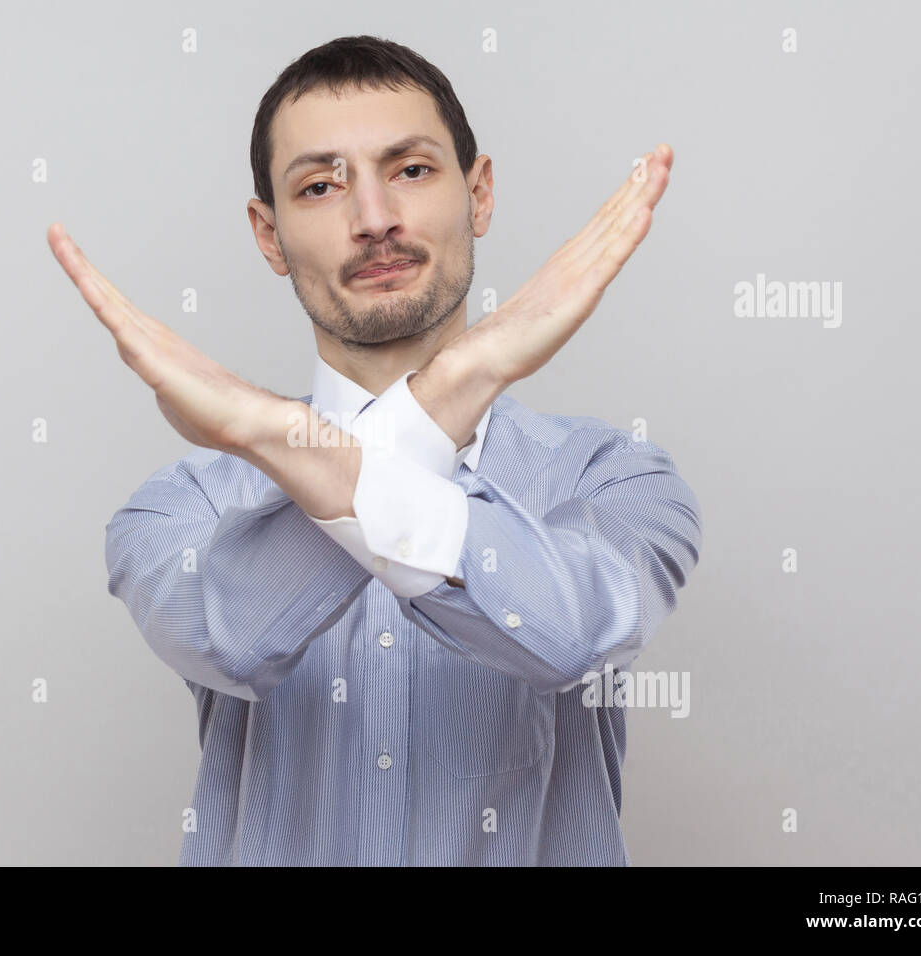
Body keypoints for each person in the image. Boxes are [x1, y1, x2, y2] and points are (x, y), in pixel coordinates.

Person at [47, 35, 701, 866]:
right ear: (269, 234)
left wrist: (275, 433)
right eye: (320, 186)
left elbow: (573, 634)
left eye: (412, 170)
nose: (374, 220)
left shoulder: (618, 479)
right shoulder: (186, 506)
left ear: (481, 193)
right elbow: (230, 636)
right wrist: (460, 384)